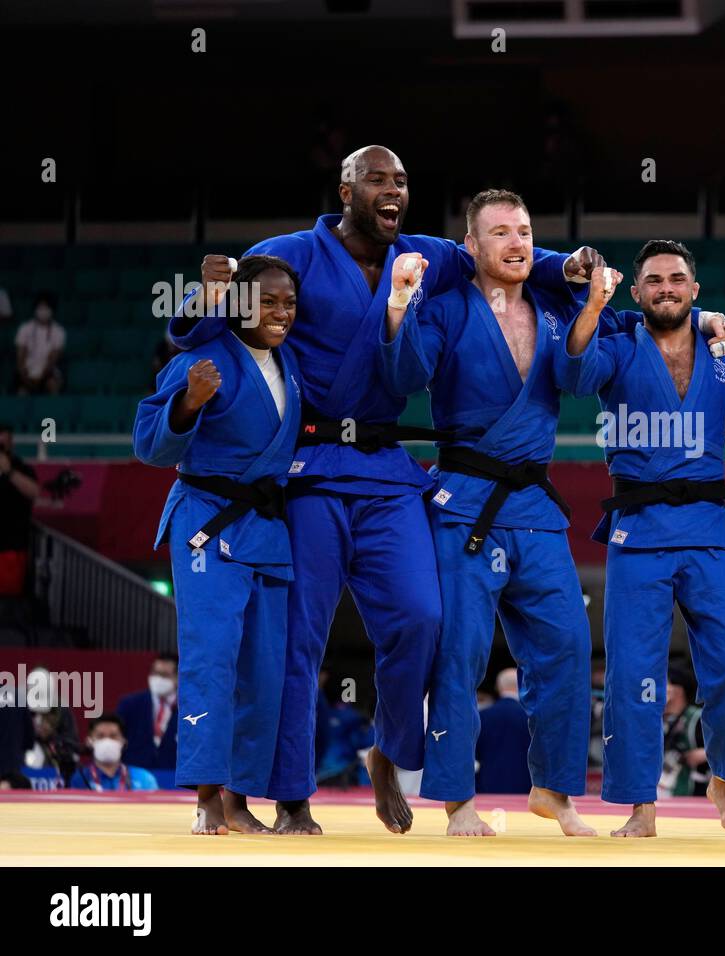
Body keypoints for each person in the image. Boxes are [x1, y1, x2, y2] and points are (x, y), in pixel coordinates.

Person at [169, 146, 603, 836]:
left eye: (401, 180)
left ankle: (389, 751)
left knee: (421, 618)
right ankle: (291, 796)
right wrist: (200, 299)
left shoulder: (429, 253)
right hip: (311, 466)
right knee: (299, 639)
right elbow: (212, 321)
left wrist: (567, 267)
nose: (393, 190)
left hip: (389, 468)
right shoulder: (291, 253)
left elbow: (504, 255)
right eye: (378, 179)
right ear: (346, 191)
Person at [376, 189, 616, 838]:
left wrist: (592, 306)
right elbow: (404, 376)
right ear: (472, 247)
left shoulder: (554, 304)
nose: (516, 243)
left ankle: (555, 790)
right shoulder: (447, 305)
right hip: (464, 499)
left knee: (567, 645)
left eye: (525, 231)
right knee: (460, 654)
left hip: (535, 503)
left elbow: (581, 379)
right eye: (501, 233)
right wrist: (399, 304)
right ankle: (457, 799)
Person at [557, 239, 725, 837]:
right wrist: (593, 306)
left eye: (676, 279)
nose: (666, 288)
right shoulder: (616, 343)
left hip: (710, 528)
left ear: (695, 289)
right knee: (634, 675)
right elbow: (574, 373)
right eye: (653, 280)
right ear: (636, 293)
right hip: (639, 529)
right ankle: (640, 805)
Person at [136, 255, 304, 834]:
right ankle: (207, 794)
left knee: (263, 668)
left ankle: (239, 797)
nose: (280, 313)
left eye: (288, 303)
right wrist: (187, 403)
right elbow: (149, 447)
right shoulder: (199, 360)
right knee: (212, 654)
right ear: (236, 304)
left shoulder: (291, 365)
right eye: (266, 301)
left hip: (266, 526)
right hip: (207, 518)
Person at [116, 653, 179, 775]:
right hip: (135, 777)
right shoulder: (130, 704)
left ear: (178, 677)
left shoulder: (189, 709)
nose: (158, 679)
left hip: (173, 777)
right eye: (155, 673)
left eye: (165, 675)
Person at [474, 668, 532, 795]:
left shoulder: (482, 716)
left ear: (498, 687)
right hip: (526, 786)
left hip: (487, 784)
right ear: (523, 686)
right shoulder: (533, 719)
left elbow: (472, 752)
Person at [0, 423, 41, 597]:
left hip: (11, 548)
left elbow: (34, 491)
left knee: (8, 603)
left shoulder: (21, 468)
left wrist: (9, 472)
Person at [68, 715, 159, 792]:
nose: (107, 741)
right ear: (89, 741)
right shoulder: (80, 778)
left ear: (123, 741)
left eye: (113, 736)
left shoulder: (144, 778)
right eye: (100, 736)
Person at [659, 666, 710, 799]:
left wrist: (706, 753)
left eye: (664, 683)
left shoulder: (697, 718)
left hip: (690, 795)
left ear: (678, 690)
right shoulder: (655, 719)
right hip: (658, 793)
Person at [14, 292, 65, 395]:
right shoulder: (25, 328)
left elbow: (53, 359)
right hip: (27, 370)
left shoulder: (59, 331)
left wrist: (41, 377)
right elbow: (20, 356)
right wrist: (25, 376)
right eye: (40, 308)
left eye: (46, 308)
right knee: (22, 392)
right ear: (35, 309)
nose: (43, 311)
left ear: (52, 310)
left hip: (47, 371)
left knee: (53, 385)